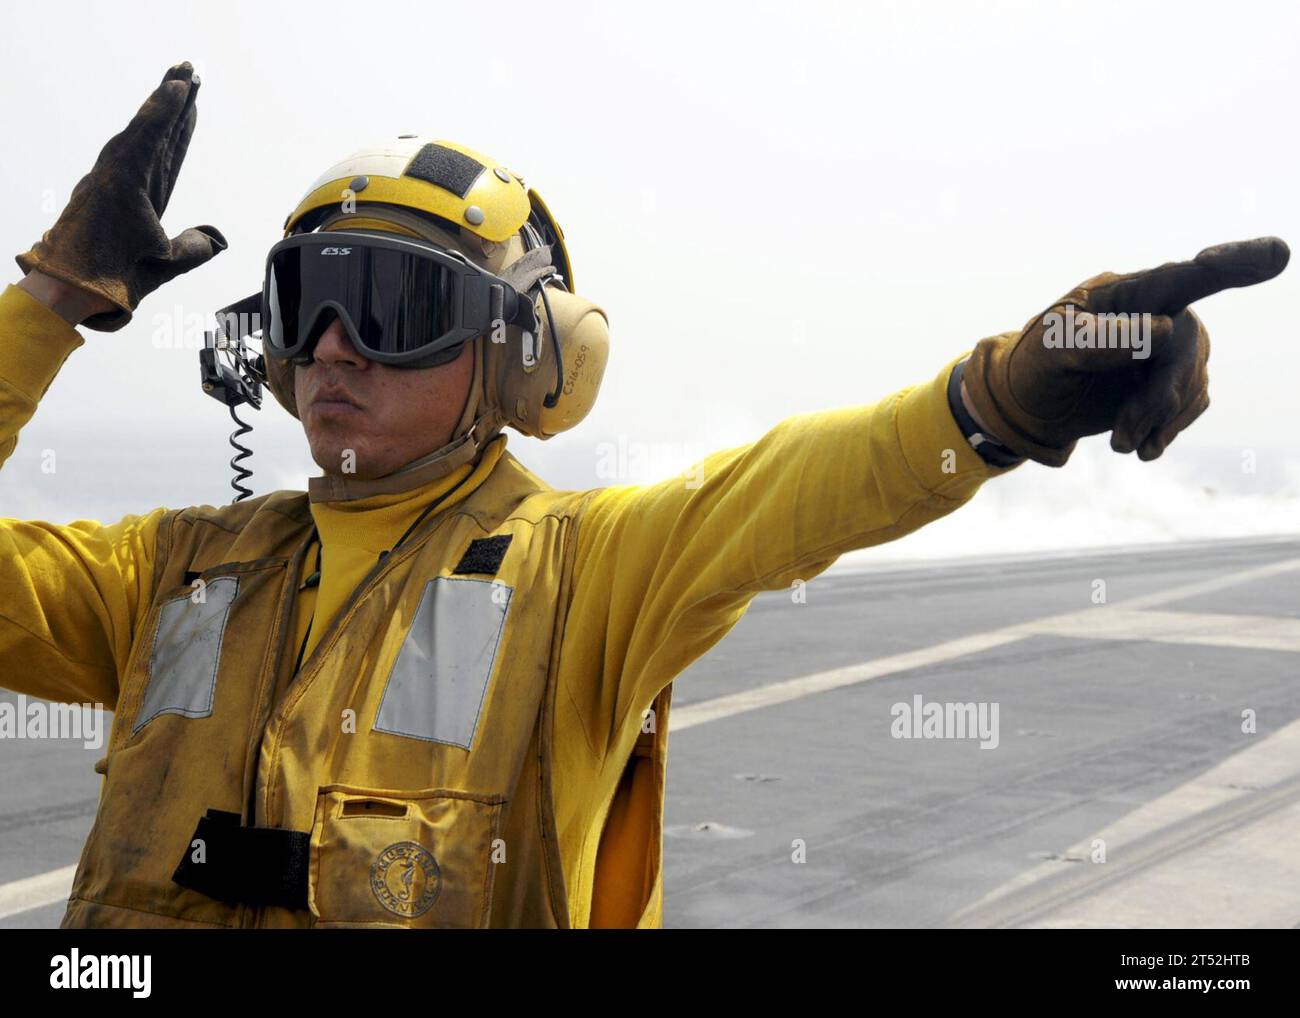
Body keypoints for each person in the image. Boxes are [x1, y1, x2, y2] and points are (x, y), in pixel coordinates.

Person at [0, 62, 1288, 929]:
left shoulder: (583, 570)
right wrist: (50, 305)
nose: (332, 344)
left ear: (519, 354)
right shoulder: (159, 574)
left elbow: (806, 485)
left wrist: (1007, 395)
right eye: (303, 302)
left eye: (388, 306)